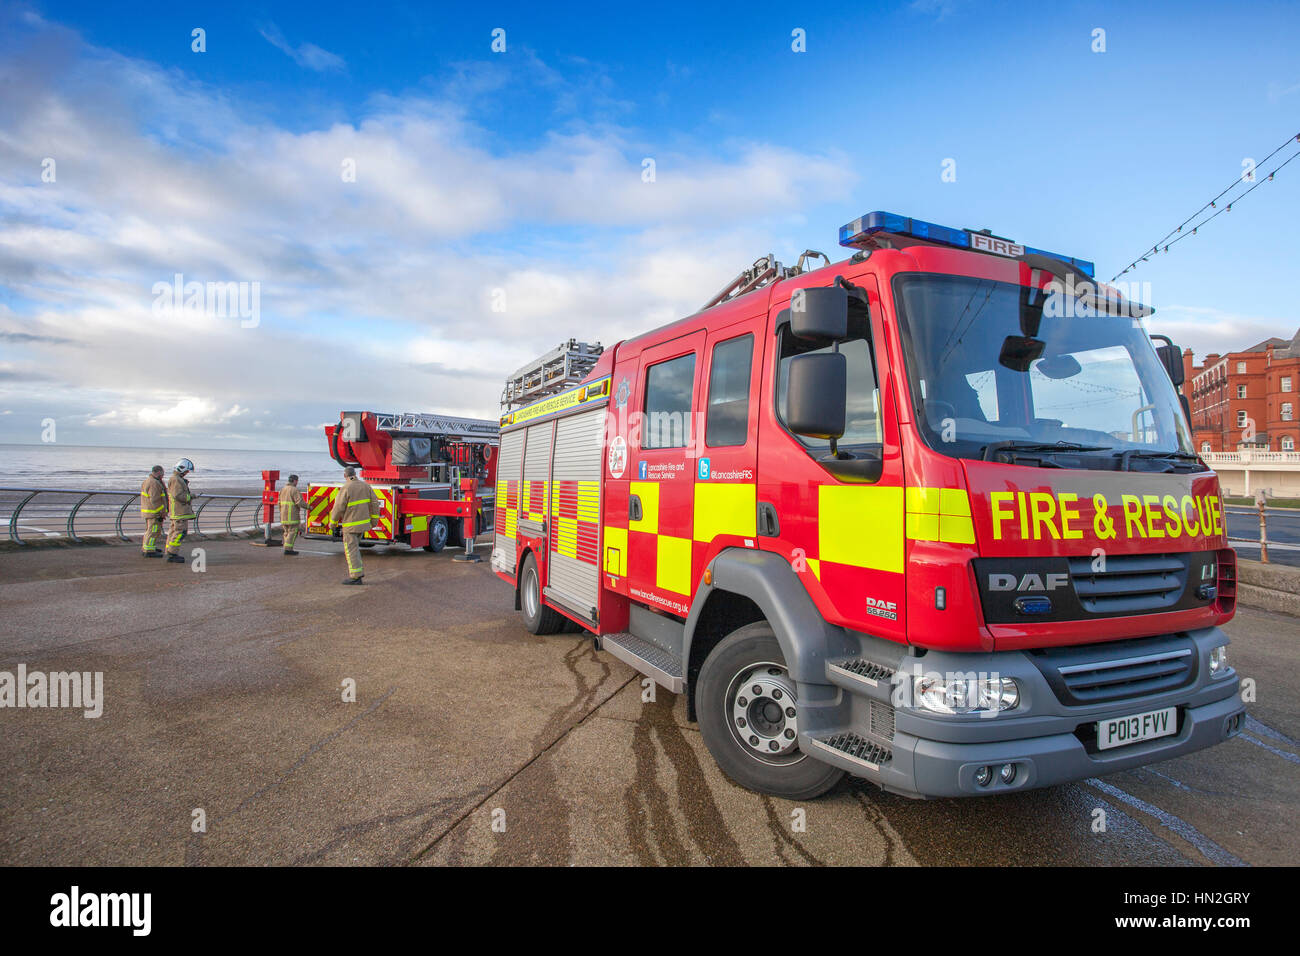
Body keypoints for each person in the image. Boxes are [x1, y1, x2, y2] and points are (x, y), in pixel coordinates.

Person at [328, 466, 378, 584]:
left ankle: (356, 576)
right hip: (363, 526)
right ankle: (358, 573)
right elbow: (374, 504)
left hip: (350, 526)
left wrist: (333, 524)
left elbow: (338, 508)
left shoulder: (346, 488)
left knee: (351, 551)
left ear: (345, 475)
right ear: (355, 474)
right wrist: (373, 522)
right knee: (355, 549)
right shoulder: (366, 486)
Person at [165, 458, 197, 564]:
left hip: (178, 512)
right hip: (179, 512)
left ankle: (170, 551)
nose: (187, 473)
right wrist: (191, 496)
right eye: (187, 471)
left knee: (174, 532)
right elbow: (178, 496)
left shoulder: (176, 479)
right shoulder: (176, 480)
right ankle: (172, 553)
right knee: (180, 533)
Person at [139, 465, 166, 557]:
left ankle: (148, 547)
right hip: (154, 513)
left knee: (150, 530)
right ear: (159, 472)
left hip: (149, 512)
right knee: (153, 531)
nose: (163, 475)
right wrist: (161, 512)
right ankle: (149, 550)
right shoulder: (154, 483)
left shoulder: (147, 481)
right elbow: (155, 500)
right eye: (162, 473)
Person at [279, 474, 305, 556]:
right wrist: (309, 507)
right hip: (292, 516)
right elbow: (299, 502)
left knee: (286, 532)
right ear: (295, 481)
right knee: (292, 532)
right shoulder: (294, 490)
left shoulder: (282, 489)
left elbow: (279, 503)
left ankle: (286, 548)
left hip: (283, 516)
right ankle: (288, 549)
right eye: (297, 481)